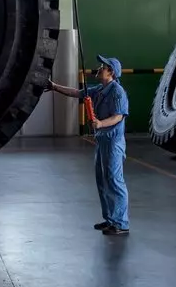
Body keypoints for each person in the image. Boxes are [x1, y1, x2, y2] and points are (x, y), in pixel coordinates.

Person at [49, 55, 130, 236]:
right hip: (102, 141)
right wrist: (54, 87)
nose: (99, 68)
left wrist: (100, 124)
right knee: (102, 180)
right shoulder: (100, 90)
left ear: (111, 72)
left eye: (103, 67)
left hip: (113, 142)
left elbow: (119, 116)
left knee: (114, 181)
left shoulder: (117, 92)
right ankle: (110, 219)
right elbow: (77, 93)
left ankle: (121, 223)